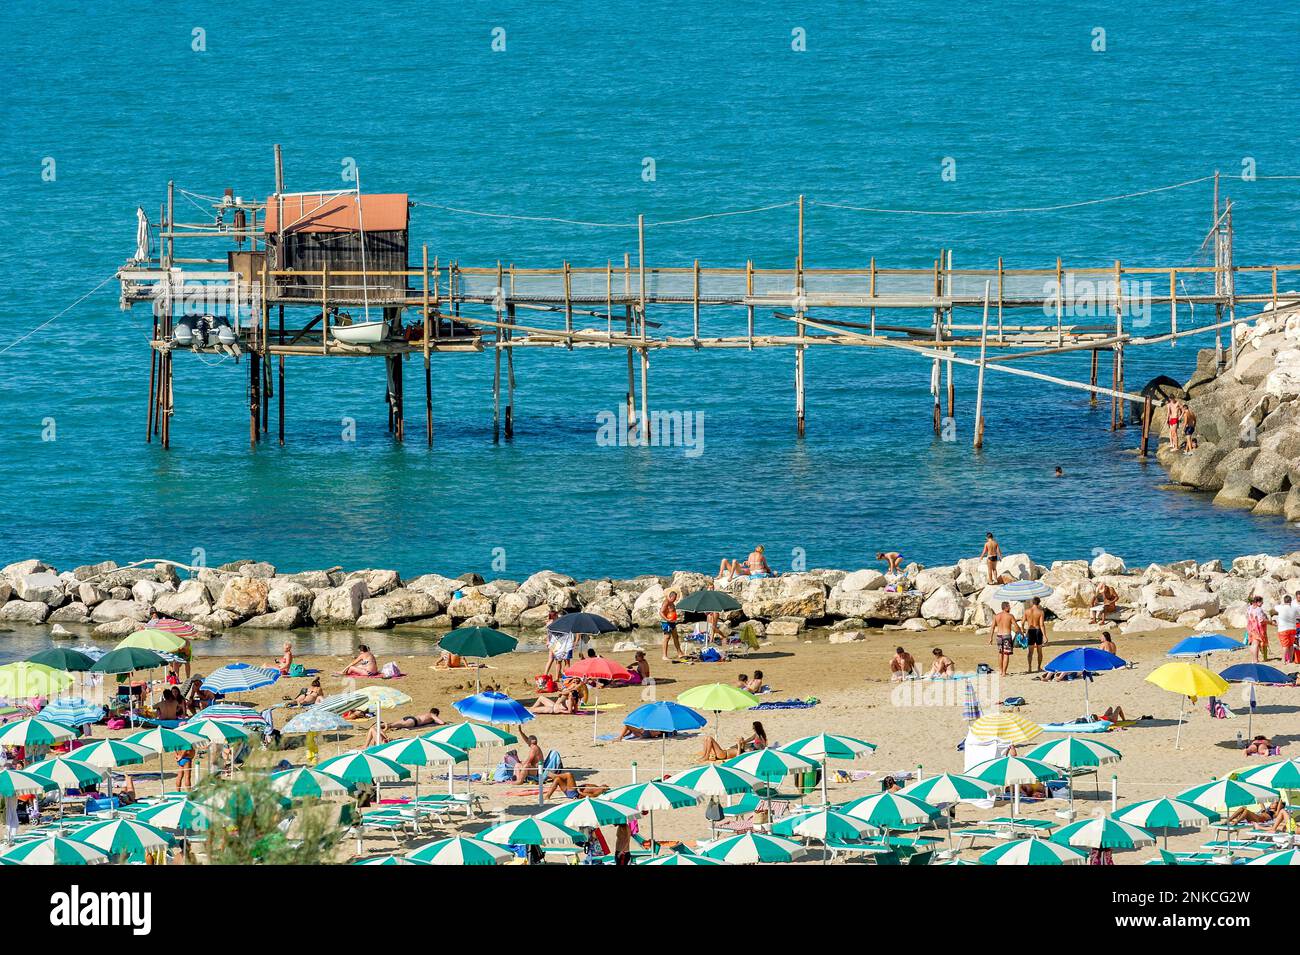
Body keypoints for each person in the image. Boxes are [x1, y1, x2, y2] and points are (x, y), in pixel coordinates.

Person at [699, 721, 767, 761]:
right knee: (706, 739)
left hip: (723, 754)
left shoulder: (747, 750)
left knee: (710, 739)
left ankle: (706, 756)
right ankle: (704, 755)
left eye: (753, 727)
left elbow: (738, 757)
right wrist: (742, 741)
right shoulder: (756, 735)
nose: (752, 728)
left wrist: (739, 745)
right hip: (724, 752)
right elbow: (748, 740)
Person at [989, 602, 1019, 677]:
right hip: (1007, 636)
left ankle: (1001, 671)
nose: (1010, 608)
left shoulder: (997, 616)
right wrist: (1020, 633)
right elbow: (1016, 626)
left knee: (1000, 653)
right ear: (1006, 607)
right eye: (1009, 607)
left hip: (999, 636)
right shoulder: (1010, 616)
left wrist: (990, 638)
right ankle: (1004, 673)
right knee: (1006, 654)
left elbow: (992, 627)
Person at [543, 771, 609, 800]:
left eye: (605, 786)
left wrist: (580, 792)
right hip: (572, 792)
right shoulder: (596, 786)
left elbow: (593, 796)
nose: (605, 784)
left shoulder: (599, 790)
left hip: (575, 794)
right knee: (558, 779)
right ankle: (547, 796)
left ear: (604, 789)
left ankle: (553, 776)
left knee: (569, 775)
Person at [1023, 597, 1047, 674]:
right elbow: (1041, 625)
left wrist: (1023, 630)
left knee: (1030, 652)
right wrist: (1045, 635)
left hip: (1030, 631)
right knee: (1039, 651)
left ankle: (1029, 668)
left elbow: (1022, 622)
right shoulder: (1041, 612)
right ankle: (1038, 667)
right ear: (1039, 603)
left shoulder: (1027, 611)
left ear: (1032, 602)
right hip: (1038, 631)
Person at [660, 590, 683, 661]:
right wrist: (667, 619)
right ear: (671, 596)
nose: (675, 599)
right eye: (675, 598)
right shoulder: (666, 602)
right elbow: (661, 612)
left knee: (676, 637)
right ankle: (664, 655)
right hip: (666, 622)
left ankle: (680, 653)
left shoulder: (672, 603)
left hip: (672, 622)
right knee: (667, 637)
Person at [1247, 596, 1270, 662]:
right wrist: (1270, 622)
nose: (1262, 603)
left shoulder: (1249, 608)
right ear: (1258, 602)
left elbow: (1248, 617)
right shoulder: (1258, 609)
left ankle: (1253, 659)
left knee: (1253, 643)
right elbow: (1261, 620)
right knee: (1256, 643)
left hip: (1251, 627)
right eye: (1261, 602)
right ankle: (1256, 659)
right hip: (1258, 629)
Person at [1277, 594, 1297, 665]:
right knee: (1291, 645)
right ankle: (1290, 659)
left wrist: (1282, 603)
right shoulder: (1294, 608)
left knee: (1285, 646)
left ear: (1284, 601)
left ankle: (1283, 660)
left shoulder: (1280, 608)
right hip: (1292, 628)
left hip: (1283, 629)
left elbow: (1275, 607)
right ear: (1291, 601)